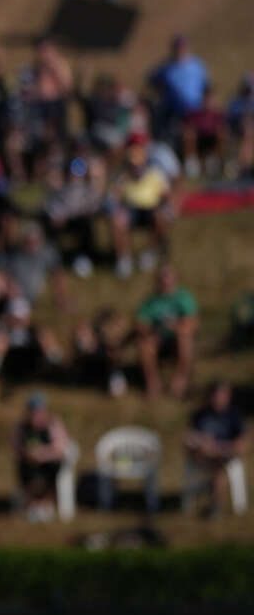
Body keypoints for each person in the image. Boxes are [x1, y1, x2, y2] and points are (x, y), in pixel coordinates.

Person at [108, 129, 172, 278]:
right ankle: (124, 259)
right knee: (118, 221)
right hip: (131, 211)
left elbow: (166, 196)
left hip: (151, 210)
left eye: (138, 164)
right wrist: (116, 209)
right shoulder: (123, 178)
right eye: (133, 164)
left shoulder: (155, 175)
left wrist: (165, 208)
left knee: (160, 218)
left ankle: (151, 252)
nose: (135, 167)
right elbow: (113, 198)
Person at [134, 263, 199, 399]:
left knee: (185, 339)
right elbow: (140, 324)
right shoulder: (150, 302)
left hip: (178, 338)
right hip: (158, 339)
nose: (165, 281)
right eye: (161, 278)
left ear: (175, 279)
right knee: (145, 344)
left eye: (168, 277)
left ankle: (180, 379)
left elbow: (192, 324)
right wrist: (153, 331)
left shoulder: (184, 298)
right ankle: (153, 382)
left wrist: (174, 328)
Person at [184, 381, 247, 517]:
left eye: (222, 395)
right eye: (216, 395)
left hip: (224, 455)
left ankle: (215, 505)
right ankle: (212, 501)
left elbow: (241, 444)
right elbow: (189, 439)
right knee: (205, 453)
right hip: (203, 456)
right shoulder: (200, 415)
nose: (219, 399)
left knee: (219, 469)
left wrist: (220, 447)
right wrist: (200, 442)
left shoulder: (234, 416)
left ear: (228, 397)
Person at [14, 393, 72, 522]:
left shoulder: (54, 424)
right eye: (33, 411)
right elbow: (17, 448)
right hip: (29, 462)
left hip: (50, 461)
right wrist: (28, 454)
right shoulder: (22, 427)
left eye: (39, 410)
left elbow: (61, 448)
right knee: (25, 470)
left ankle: (47, 503)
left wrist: (42, 454)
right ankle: (32, 504)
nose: (36, 414)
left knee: (54, 468)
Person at [146, 34, 209, 140]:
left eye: (183, 47)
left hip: (195, 108)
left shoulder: (197, 65)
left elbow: (206, 86)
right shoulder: (166, 67)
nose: (180, 50)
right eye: (178, 47)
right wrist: (161, 93)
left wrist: (205, 103)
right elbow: (151, 80)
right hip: (173, 110)